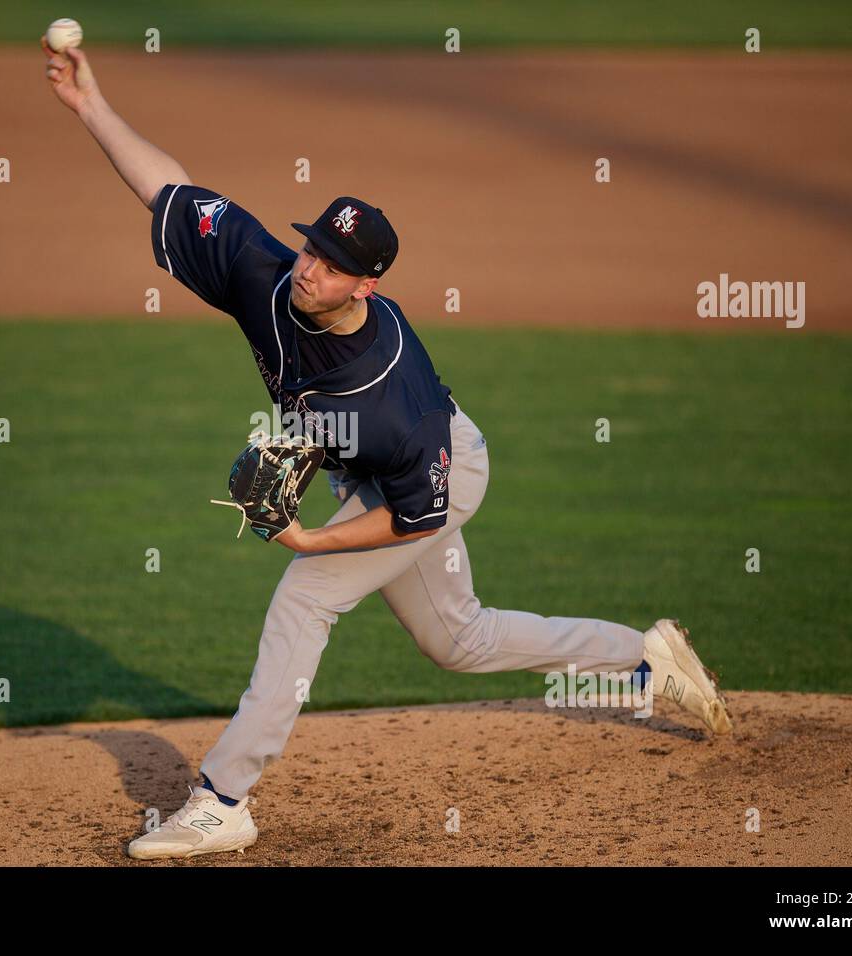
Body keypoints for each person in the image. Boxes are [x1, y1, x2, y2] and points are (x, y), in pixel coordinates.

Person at [42, 39, 733, 861]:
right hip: (377, 479)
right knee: (459, 640)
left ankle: (224, 797)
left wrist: (309, 540)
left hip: (437, 471)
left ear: (364, 286)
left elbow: (414, 519)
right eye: (310, 248)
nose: (308, 270)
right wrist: (91, 106)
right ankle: (644, 657)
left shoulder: (386, 397)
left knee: (306, 597)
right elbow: (169, 188)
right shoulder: (266, 277)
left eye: (330, 267)